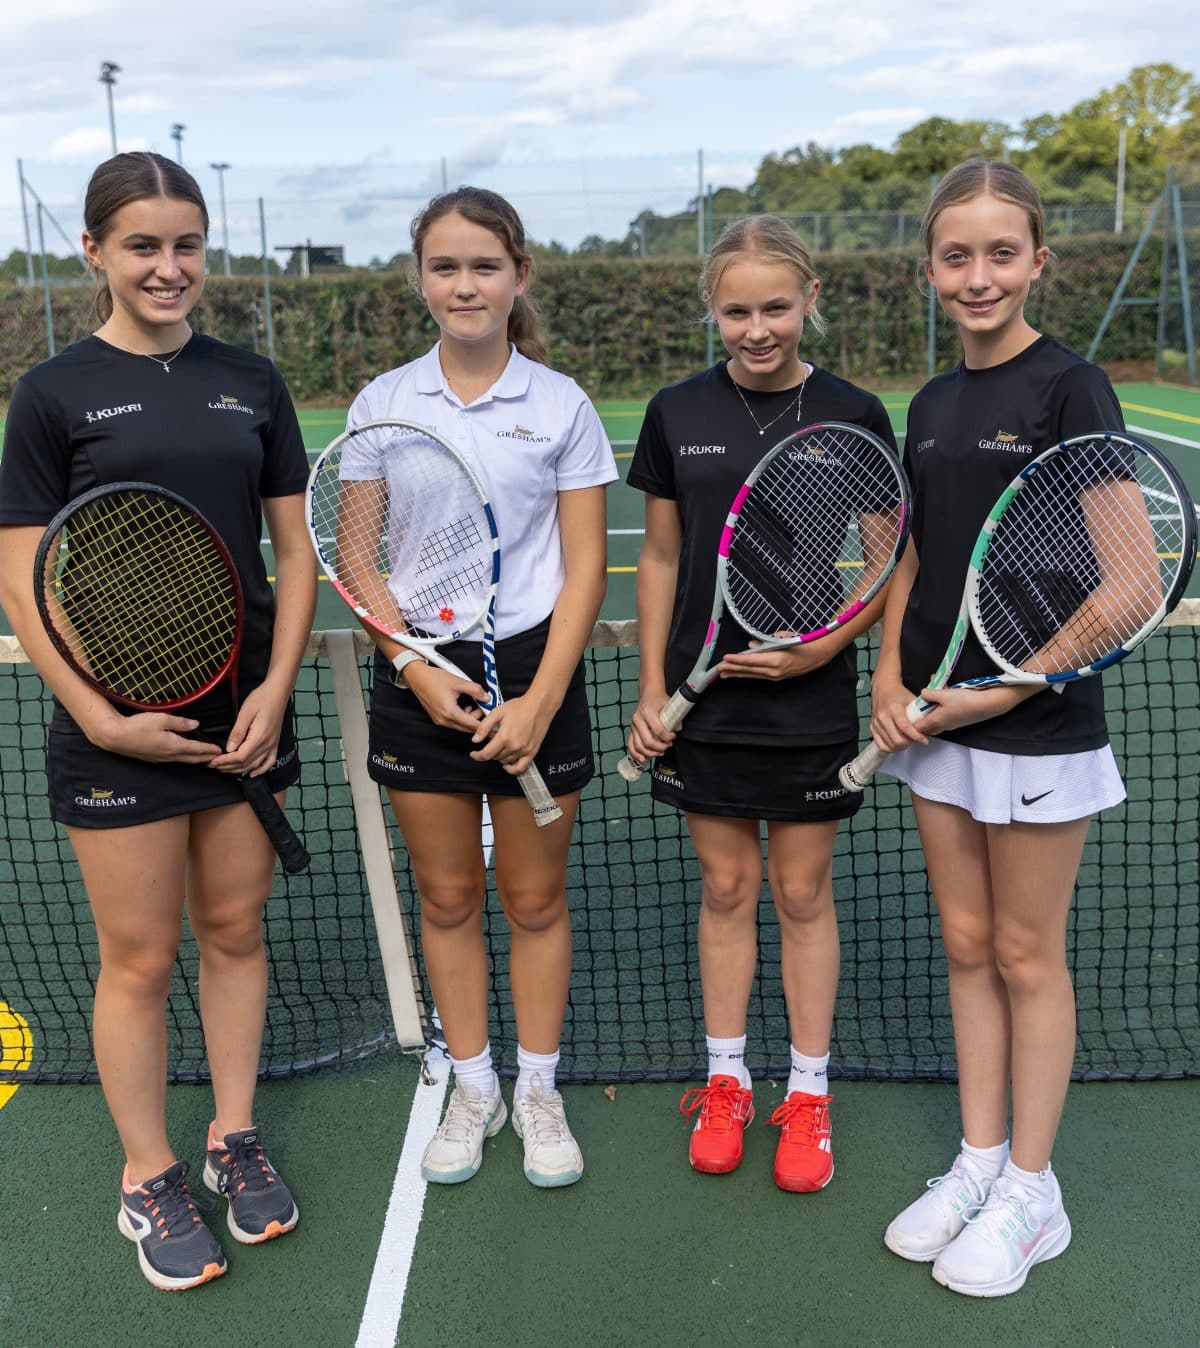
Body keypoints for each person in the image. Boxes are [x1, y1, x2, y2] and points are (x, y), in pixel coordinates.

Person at [0, 153, 315, 1291]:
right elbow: (23, 575)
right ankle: (149, 1172)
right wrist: (102, 716)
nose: (169, 265)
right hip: (116, 734)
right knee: (136, 961)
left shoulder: (251, 380)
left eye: (186, 243)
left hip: (243, 718)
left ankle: (234, 1137)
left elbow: (295, 548)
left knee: (235, 933)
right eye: (142, 244)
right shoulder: (53, 395)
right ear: (94, 252)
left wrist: (275, 691)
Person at [870, 161, 1127, 1297]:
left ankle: (1035, 1188)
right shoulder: (930, 405)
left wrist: (1010, 689)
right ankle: (979, 1161)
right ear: (931, 270)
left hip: (1033, 726)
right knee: (966, 949)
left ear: (1038, 263)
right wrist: (887, 673)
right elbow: (917, 558)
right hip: (935, 724)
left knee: (1027, 954)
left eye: (1000, 253)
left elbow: (1130, 581)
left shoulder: (1074, 390)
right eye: (956, 256)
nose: (979, 276)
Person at [346, 187, 616, 1188]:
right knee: (450, 895)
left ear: (519, 277)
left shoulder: (561, 406)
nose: (465, 284)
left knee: (536, 899)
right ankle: (475, 1084)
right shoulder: (384, 403)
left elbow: (584, 570)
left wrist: (541, 701)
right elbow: (359, 561)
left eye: (484, 266)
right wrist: (414, 666)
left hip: (536, 670)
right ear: (423, 280)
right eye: (445, 267)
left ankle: (537, 1089)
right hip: (419, 673)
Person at [625, 215, 898, 1192]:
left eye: (775, 306)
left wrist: (824, 648)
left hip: (809, 700)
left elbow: (881, 560)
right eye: (736, 310)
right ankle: (729, 1078)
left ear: (809, 300)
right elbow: (659, 556)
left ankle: (810, 1093)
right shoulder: (674, 410)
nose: (756, 328)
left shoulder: (856, 412)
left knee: (799, 893)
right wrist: (655, 686)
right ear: (713, 309)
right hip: (704, 708)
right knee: (728, 890)